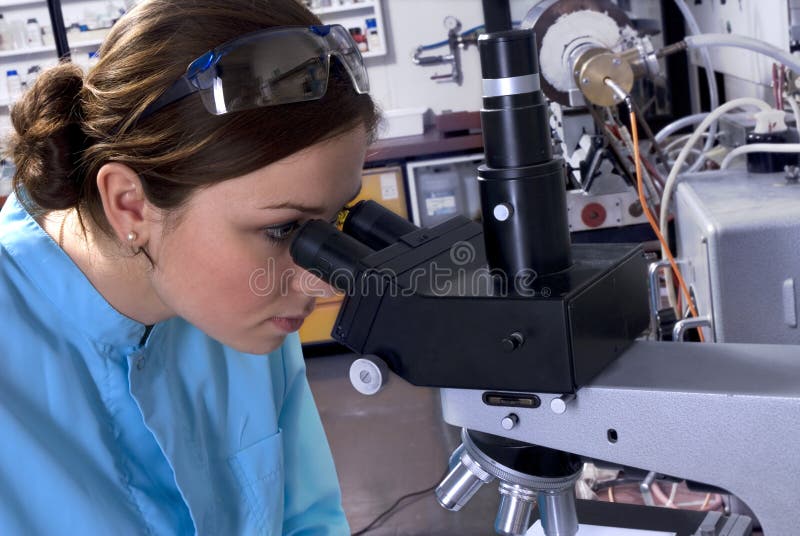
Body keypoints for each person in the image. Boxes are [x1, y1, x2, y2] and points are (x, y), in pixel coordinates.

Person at [0, 0, 378, 534]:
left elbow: (308, 520)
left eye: (334, 219)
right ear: (130, 203)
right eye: (281, 229)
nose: (320, 279)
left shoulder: (246, 311)